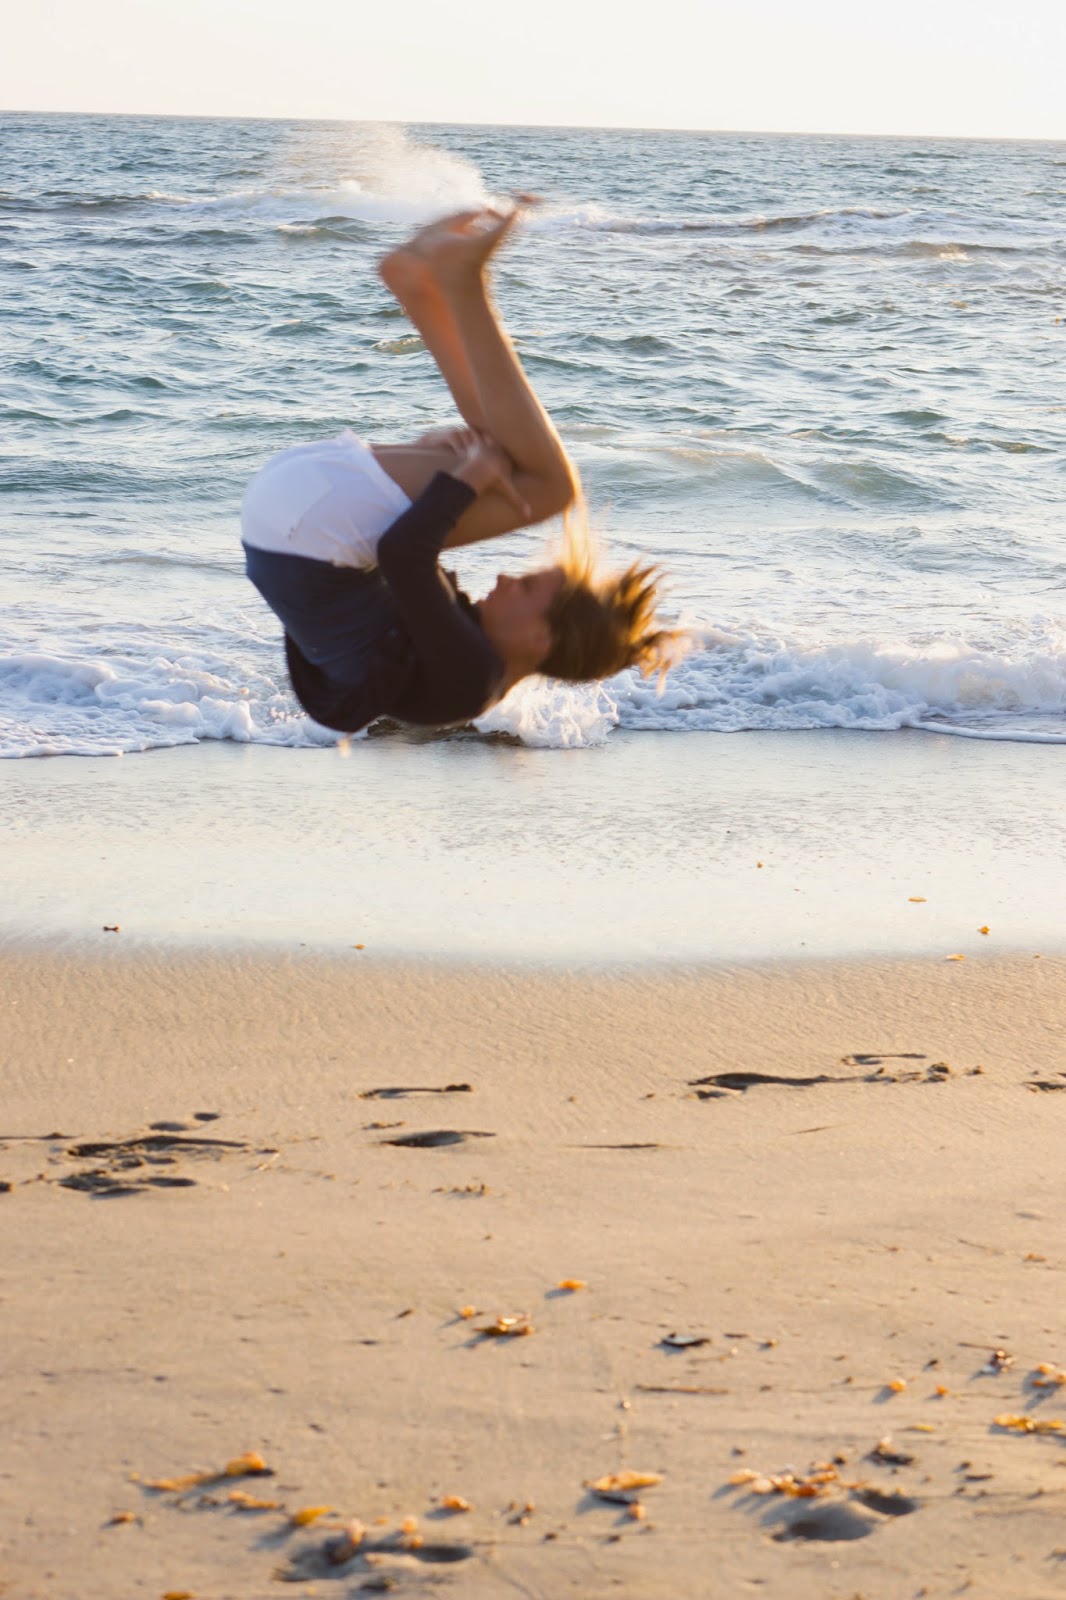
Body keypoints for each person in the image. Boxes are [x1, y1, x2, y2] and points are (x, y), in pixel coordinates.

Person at [241, 208, 674, 736]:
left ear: (540, 640)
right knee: (510, 464)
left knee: (551, 488)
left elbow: (402, 556)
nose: (503, 577)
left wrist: (462, 481)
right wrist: (434, 458)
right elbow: (395, 581)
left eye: (526, 588)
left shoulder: (472, 675)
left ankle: (458, 281)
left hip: (312, 529)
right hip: (287, 520)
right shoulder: (472, 668)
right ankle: (419, 283)